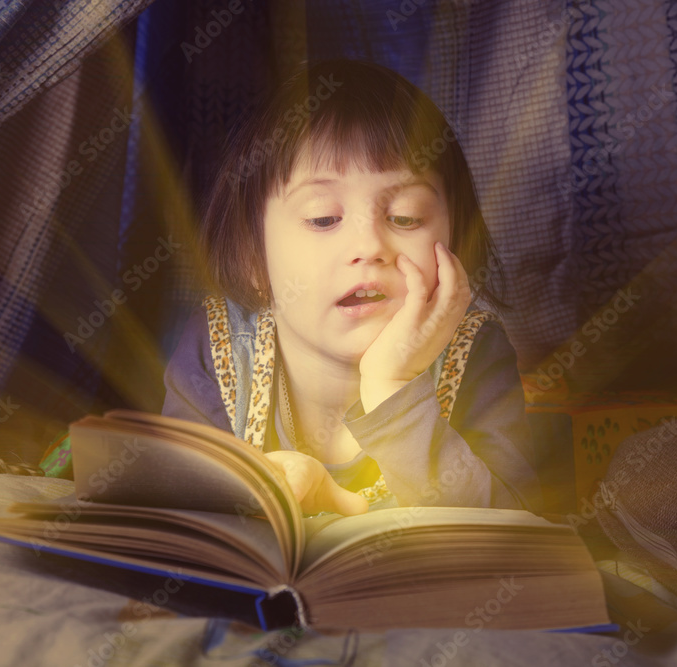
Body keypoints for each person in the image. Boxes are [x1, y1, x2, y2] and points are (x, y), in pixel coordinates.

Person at [163, 59, 542, 517]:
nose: (369, 247)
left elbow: (513, 535)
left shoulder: (475, 350)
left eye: (405, 217)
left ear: (454, 245)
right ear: (252, 257)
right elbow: (174, 524)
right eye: (323, 218)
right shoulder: (221, 349)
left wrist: (392, 389)